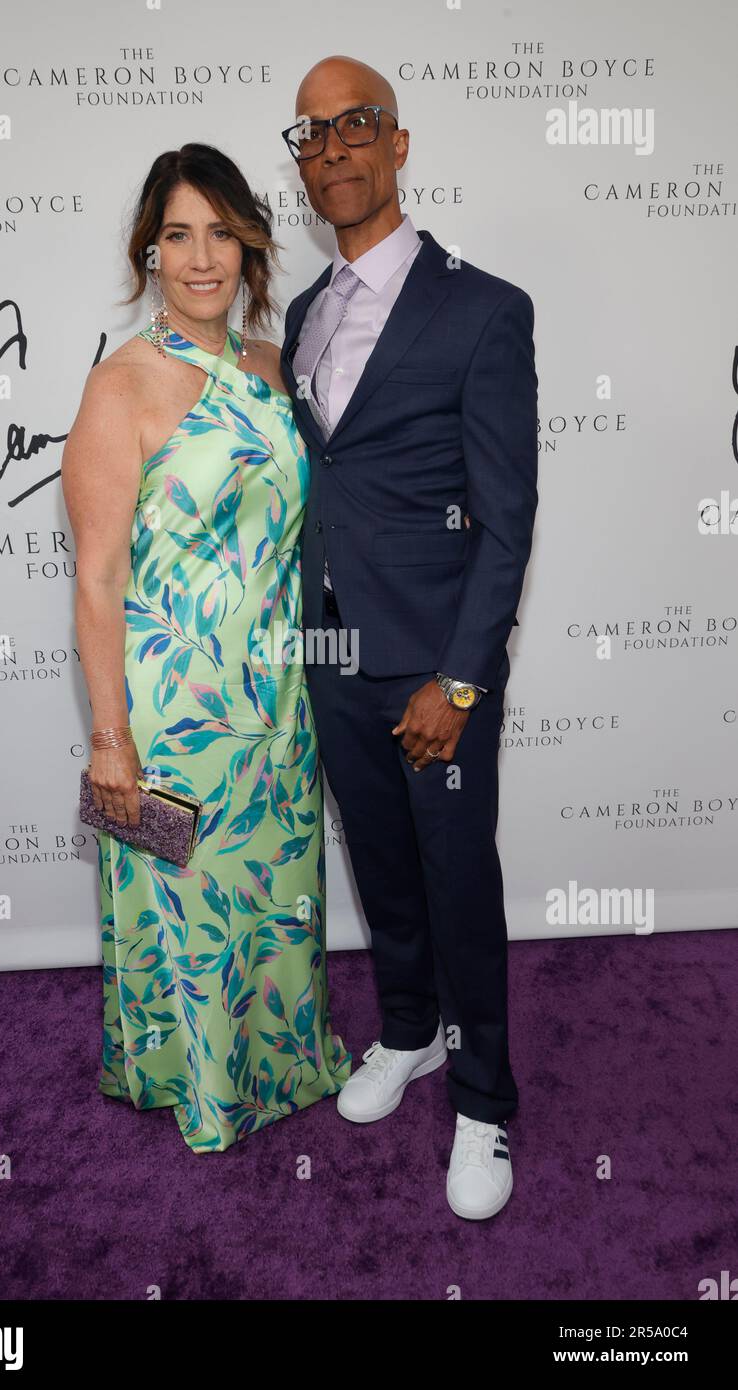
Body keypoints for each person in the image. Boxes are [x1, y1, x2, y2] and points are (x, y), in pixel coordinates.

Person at [279, 57, 539, 1217]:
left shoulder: (482, 308)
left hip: (434, 667)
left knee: (455, 880)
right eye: (311, 132)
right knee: (377, 864)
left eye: (354, 126)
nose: (331, 148)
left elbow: (506, 515)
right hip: (329, 650)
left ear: (396, 143)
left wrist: (462, 679)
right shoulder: (301, 312)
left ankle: (483, 1100)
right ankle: (407, 1033)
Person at [61, 143, 350, 1154]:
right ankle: (198, 1082)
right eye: (177, 234)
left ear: (250, 245)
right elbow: (96, 578)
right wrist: (109, 738)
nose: (200, 257)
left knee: (276, 895)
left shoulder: (273, 370)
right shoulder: (120, 387)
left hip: (278, 701)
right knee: (188, 907)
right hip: (174, 709)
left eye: (220, 232)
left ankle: (283, 1058)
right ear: (149, 249)